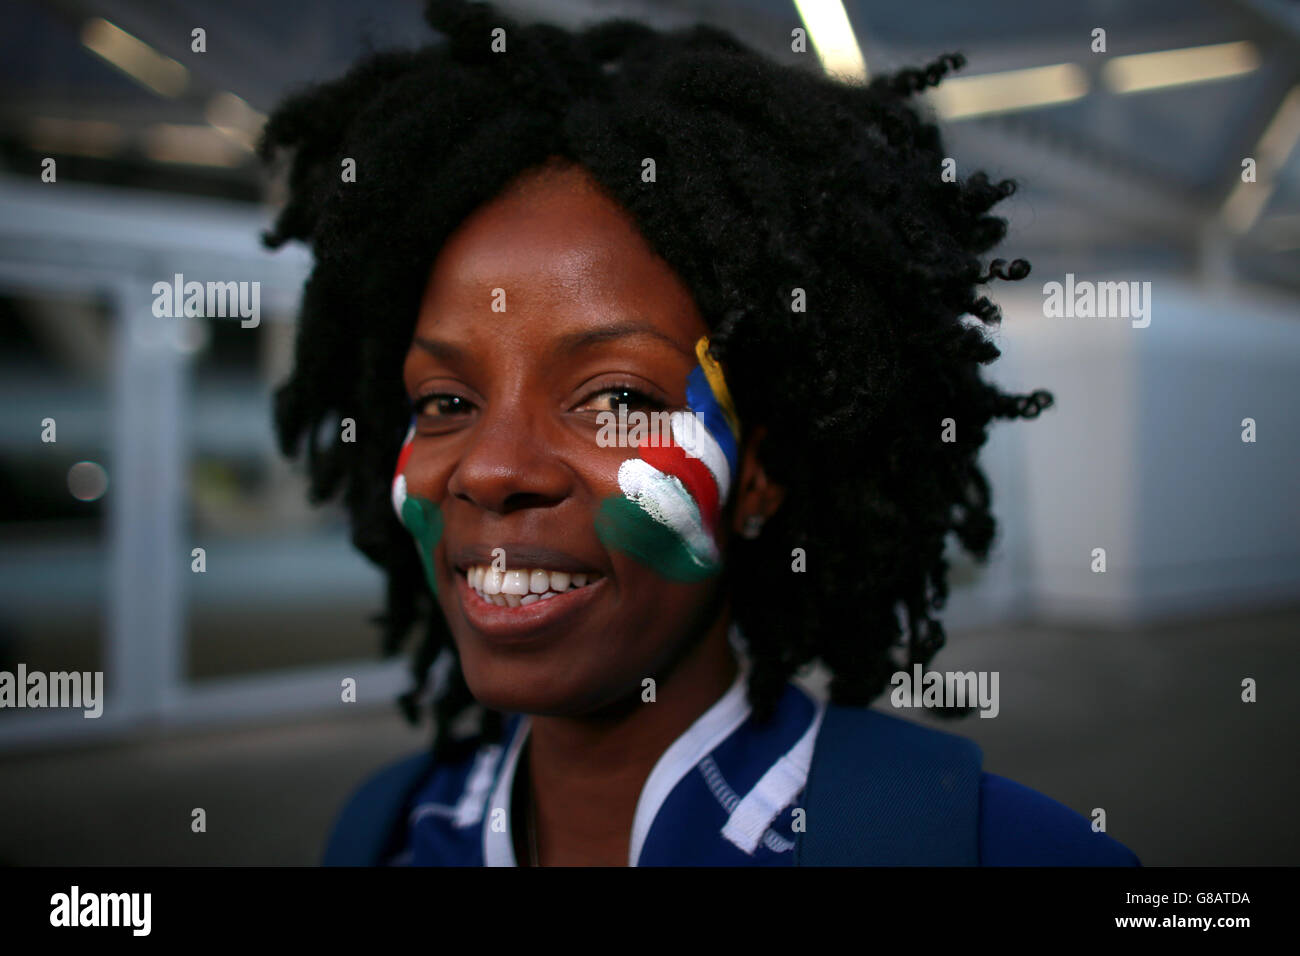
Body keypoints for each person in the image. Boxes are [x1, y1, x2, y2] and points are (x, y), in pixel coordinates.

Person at [258, 0, 1139, 866]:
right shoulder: (384, 836)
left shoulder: (992, 851)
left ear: (761, 469)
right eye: (446, 402)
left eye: (613, 397)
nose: (491, 469)